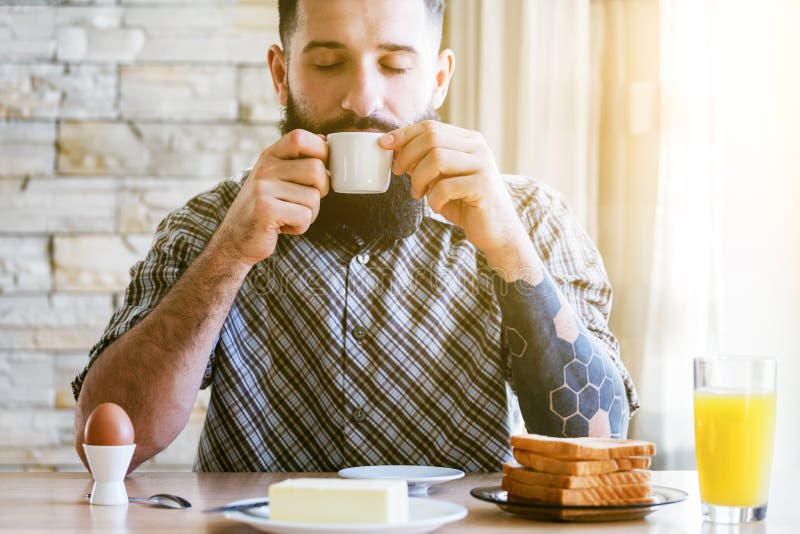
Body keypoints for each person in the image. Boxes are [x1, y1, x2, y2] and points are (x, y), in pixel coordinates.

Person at [72, 0, 639, 473]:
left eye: (394, 65)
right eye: (326, 63)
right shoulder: (213, 225)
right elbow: (109, 441)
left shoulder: (531, 221)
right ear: (280, 74)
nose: (363, 101)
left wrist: (512, 253)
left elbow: (599, 444)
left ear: (438, 79)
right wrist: (228, 255)